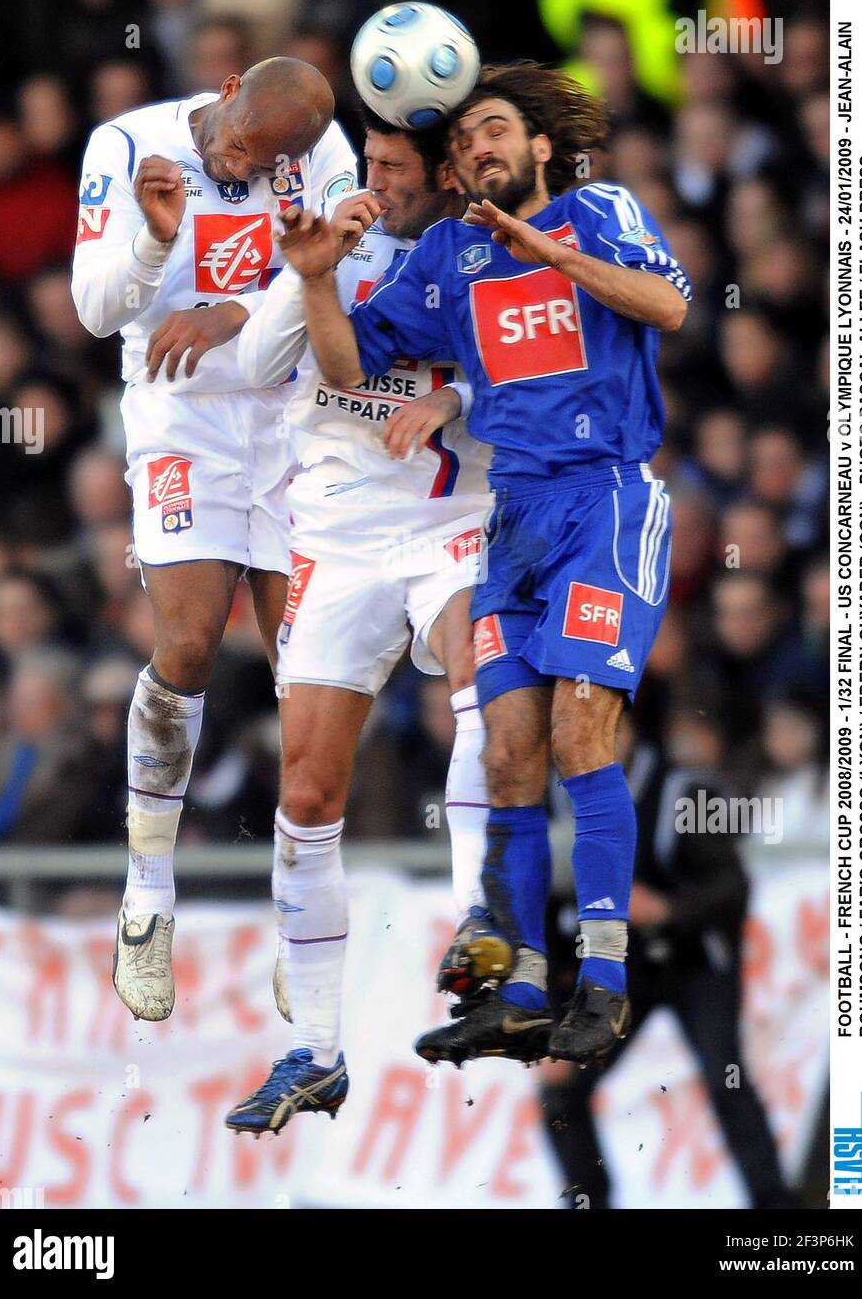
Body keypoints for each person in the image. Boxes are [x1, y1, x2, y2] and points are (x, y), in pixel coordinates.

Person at [278, 62, 690, 1069]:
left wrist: (543, 251)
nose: (479, 150)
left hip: (605, 499)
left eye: (496, 130)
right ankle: (516, 989)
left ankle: (602, 976)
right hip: (511, 521)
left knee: (579, 734)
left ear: (540, 145)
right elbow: (346, 368)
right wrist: (317, 276)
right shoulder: (444, 254)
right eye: (463, 142)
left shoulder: (597, 211)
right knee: (508, 752)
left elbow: (666, 307)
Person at [156, 110, 498, 1135]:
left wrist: (459, 398)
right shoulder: (323, 254)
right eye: (371, 166)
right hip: (339, 538)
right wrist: (305, 276)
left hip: (455, 522)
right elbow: (257, 370)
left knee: (482, 687)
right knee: (304, 789)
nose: (378, 183)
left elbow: (543, 379)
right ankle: (312, 1049)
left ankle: (483, 922)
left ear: (438, 174)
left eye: (396, 168)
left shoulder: (485, 253)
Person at [70, 56, 358, 1023]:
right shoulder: (127, 143)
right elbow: (93, 308)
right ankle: (148, 898)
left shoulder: (321, 156)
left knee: (305, 671)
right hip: (181, 418)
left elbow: (340, 273)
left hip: (289, 417)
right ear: (226, 86)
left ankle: (299, 913)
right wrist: (154, 250)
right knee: (188, 646)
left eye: (270, 158)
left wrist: (239, 305)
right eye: (240, 144)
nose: (247, 166)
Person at [540, 709, 797, 1210]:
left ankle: (778, 1210)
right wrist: (553, 1014)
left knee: (726, 1077)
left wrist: (667, 909)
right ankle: (589, 1201)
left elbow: (734, 887)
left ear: (629, 727)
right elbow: (545, 910)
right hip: (620, 968)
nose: (591, 744)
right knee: (561, 1085)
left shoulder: (686, 792)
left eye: (605, 728)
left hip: (695, 959)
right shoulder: (555, 799)